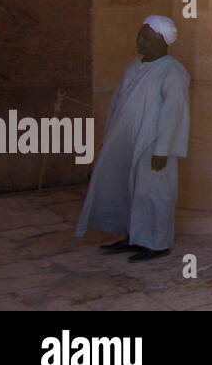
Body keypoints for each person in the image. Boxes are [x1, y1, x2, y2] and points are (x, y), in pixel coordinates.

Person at [75, 15, 190, 262]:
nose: (140, 42)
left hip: (152, 145)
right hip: (125, 141)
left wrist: (162, 149)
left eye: (146, 38)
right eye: (140, 36)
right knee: (127, 190)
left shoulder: (172, 72)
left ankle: (156, 243)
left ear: (161, 40)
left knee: (154, 192)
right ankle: (132, 236)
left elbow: (174, 113)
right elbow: (118, 102)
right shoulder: (133, 66)